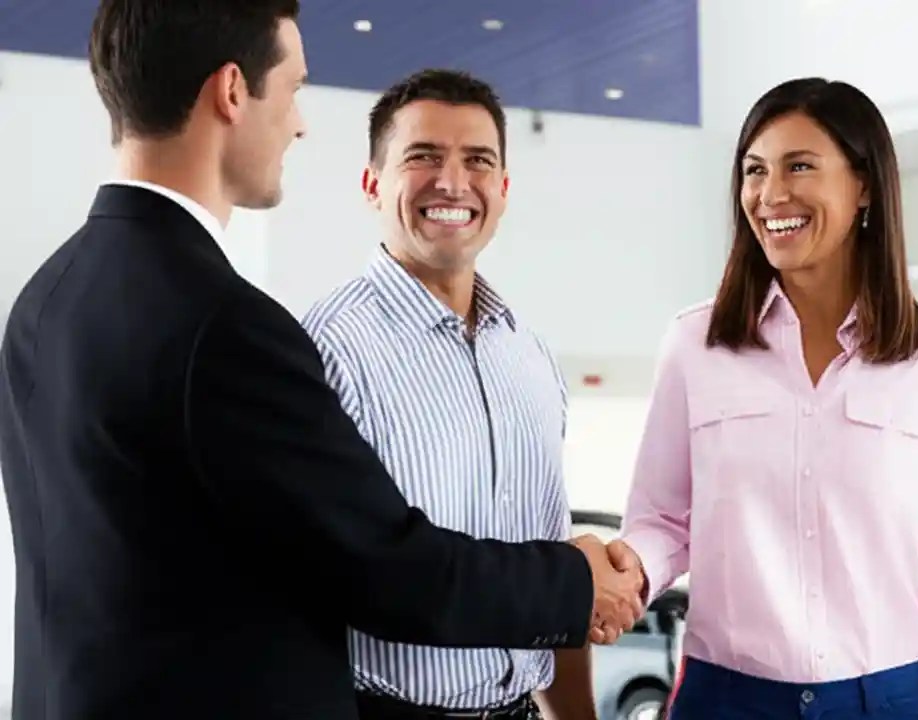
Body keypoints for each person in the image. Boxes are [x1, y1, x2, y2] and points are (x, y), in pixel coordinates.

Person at [0, 3, 642, 720]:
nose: (300, 123)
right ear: (233, 91)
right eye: (295, 88)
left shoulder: (43, 300)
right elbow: (383, 567)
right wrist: (575, 585)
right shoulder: (230, 327)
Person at [606, 78, 918, 719]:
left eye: (800, 166)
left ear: (865, 186)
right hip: (726, 698)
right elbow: (661, 519)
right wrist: (626, 573)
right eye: (754, 171)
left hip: (890, 698)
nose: (770, 195)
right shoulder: (694, 344)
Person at [300, 69, 597, 720]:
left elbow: (550, 571)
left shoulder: (532, 358)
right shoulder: (324, 351)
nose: (452, 182)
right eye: (423, 156)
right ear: (372, 183)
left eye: (478, 161)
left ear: (504, 189)